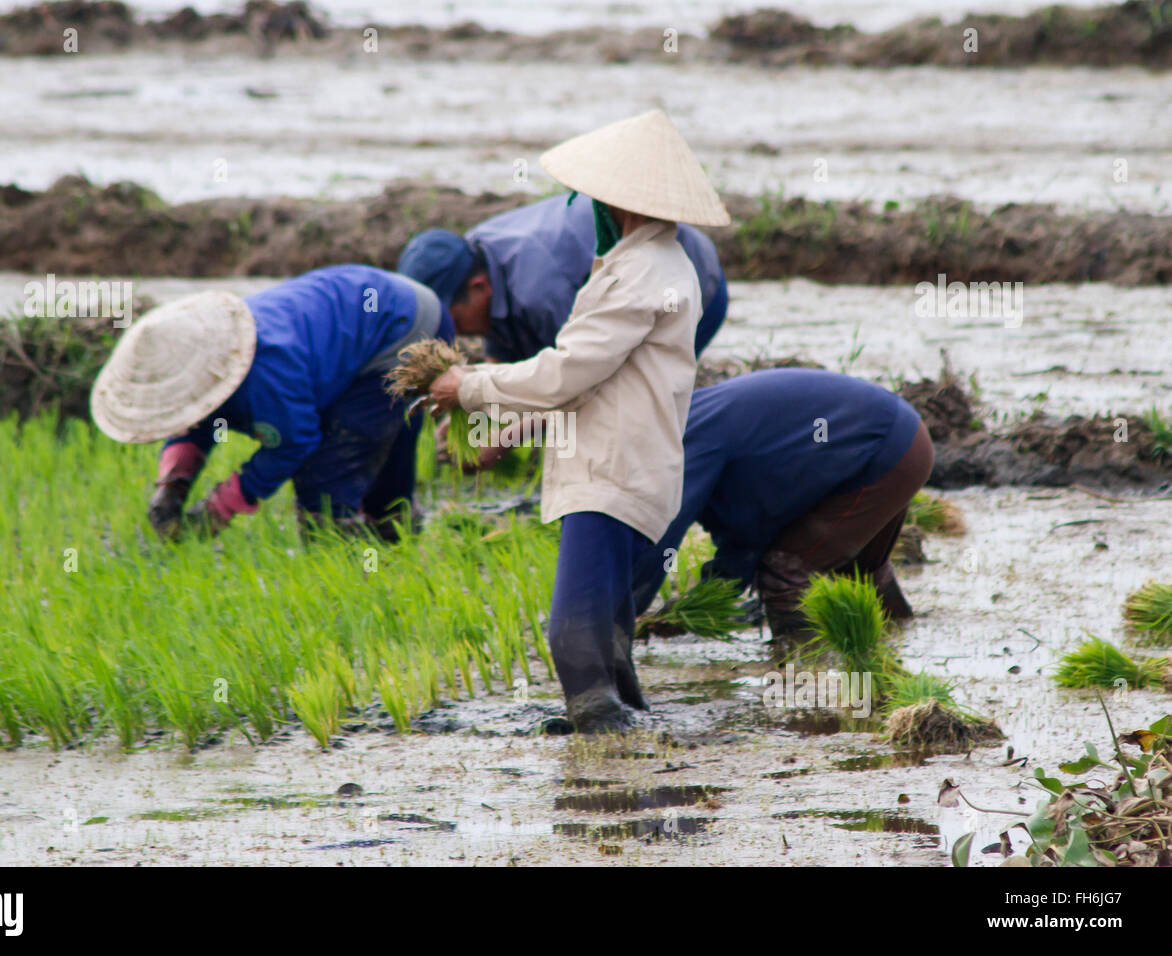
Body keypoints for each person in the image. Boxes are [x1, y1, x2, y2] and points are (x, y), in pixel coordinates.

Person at [428, 110, 730, 734]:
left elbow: (568, 370)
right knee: (608, 630)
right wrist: (509, 426)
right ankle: (626, 729)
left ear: (618, 202)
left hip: (609, 469)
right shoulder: (654, 262)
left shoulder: (639, 273)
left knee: (573, 633)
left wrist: (471, 388)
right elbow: (593, 381)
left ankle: (602, 742)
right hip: (629, 463)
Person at [89, 266, 451, 540]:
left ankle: (352, 566)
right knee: (375, 457)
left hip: (402, 328)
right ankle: (394, 532)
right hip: (363, 314)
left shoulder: (266, 378)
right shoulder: (213, 366)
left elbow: (295, 444)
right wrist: (172, 485)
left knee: (325, 489)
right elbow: (197, 423)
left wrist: (221, 506)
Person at [631, 369, 934, 655]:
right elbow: (747, 535)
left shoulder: (684, 438)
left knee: (784, 573)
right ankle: (898, 647)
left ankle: (804, 690)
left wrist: (623, 610)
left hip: (882, 454)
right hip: (898, 438)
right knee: (859, 571)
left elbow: (662, 531)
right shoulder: (694, 417)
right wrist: (702, 602)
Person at [396, 194, 727, 361]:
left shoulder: (541, 293)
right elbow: (505, 352)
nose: (449, 332)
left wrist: (505, 437)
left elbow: (581, 381)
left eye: (450, 319)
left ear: (478, 287)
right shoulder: (472, 254)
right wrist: (479, 414)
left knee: (635, 397)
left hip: (693, 285)